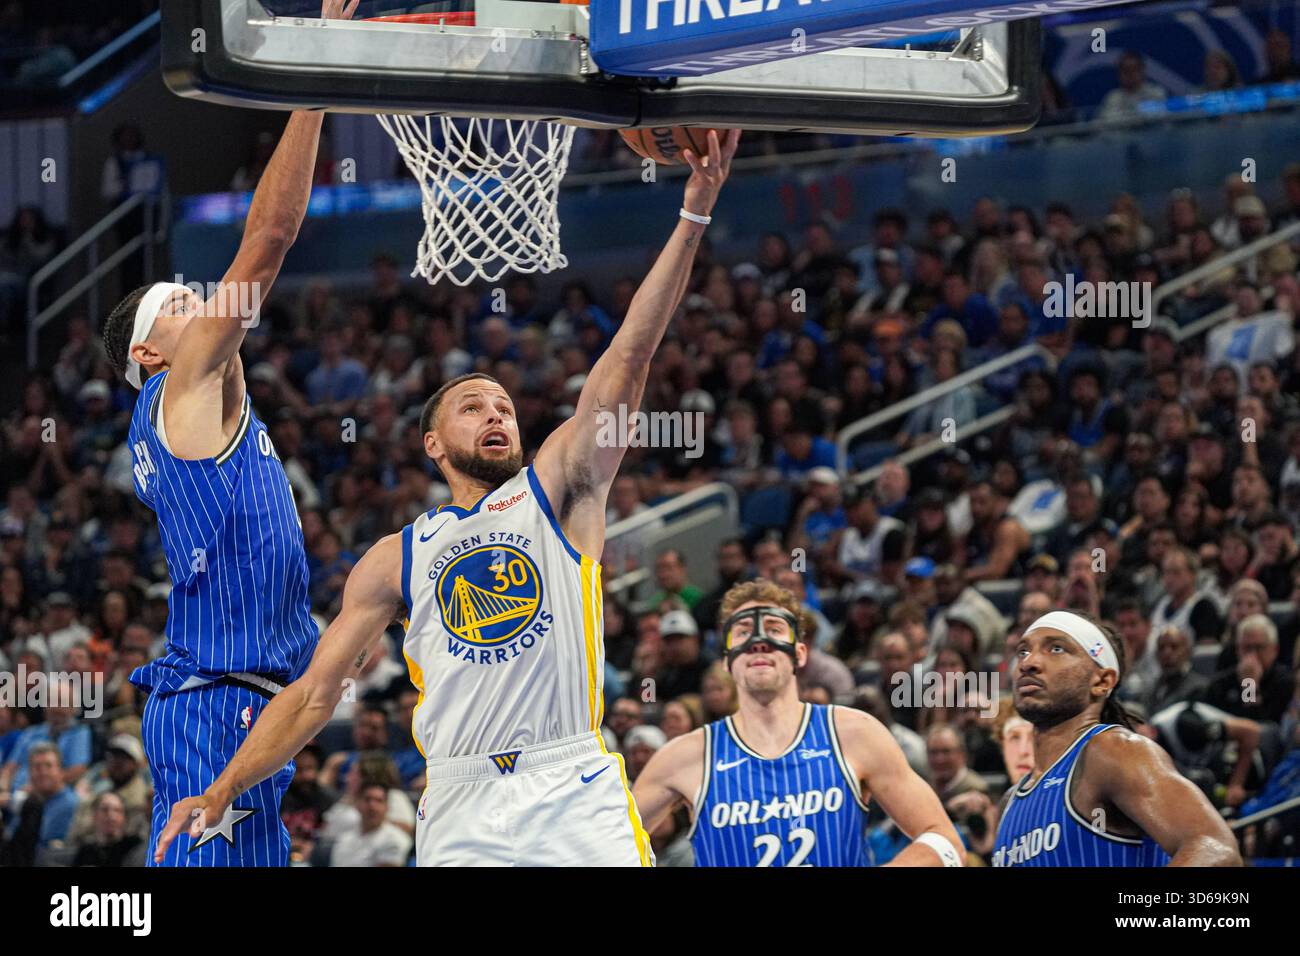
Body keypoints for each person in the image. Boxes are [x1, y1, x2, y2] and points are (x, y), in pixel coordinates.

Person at [155, 129, 742, 868]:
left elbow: (630, 353)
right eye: (472, 407)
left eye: (503, 406)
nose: (496, 415)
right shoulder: (395, 557)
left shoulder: (559, 486)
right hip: (460, 798)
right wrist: (224, 787)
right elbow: (312, 695)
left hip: (571, 782)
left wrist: (692, 217)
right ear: (431, 445)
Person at [98, 1, 362, 866]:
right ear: (149, 350)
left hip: (246, 708)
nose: (199, 302)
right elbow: (270, 238)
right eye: (181, 303)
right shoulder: (181, 385)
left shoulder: (197, 410)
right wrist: (313, 77)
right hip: (216, 707)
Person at [631, 580, 964, 867]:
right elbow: (601, 846)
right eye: (744, 632)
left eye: (774, 630)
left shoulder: (855, 734)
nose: (759, 642)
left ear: (800, 653)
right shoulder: (685, 756)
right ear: (726, 659)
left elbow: (945, 840)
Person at [993, 610, 1240, 866]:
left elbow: (1216, 849)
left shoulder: (1114, 751)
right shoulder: (1009, 802)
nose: (1028, 662)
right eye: (1023, 651)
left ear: (1102, 681)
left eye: (1056, 649)